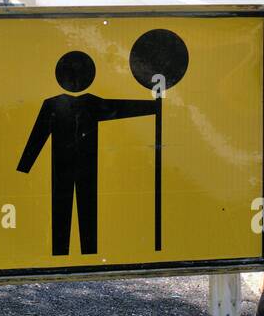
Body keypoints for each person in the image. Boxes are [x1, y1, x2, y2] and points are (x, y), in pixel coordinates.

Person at [16, 50, 158, 257]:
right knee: (73, 208)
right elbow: (37, 136)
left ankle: (78, 253)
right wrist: (155, 106)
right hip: (73, 165)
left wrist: (155, 106)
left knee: (75, 207)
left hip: (74, 166)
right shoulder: (73, 104)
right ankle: (72, 252)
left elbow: (123, 107)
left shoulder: (62, 104)